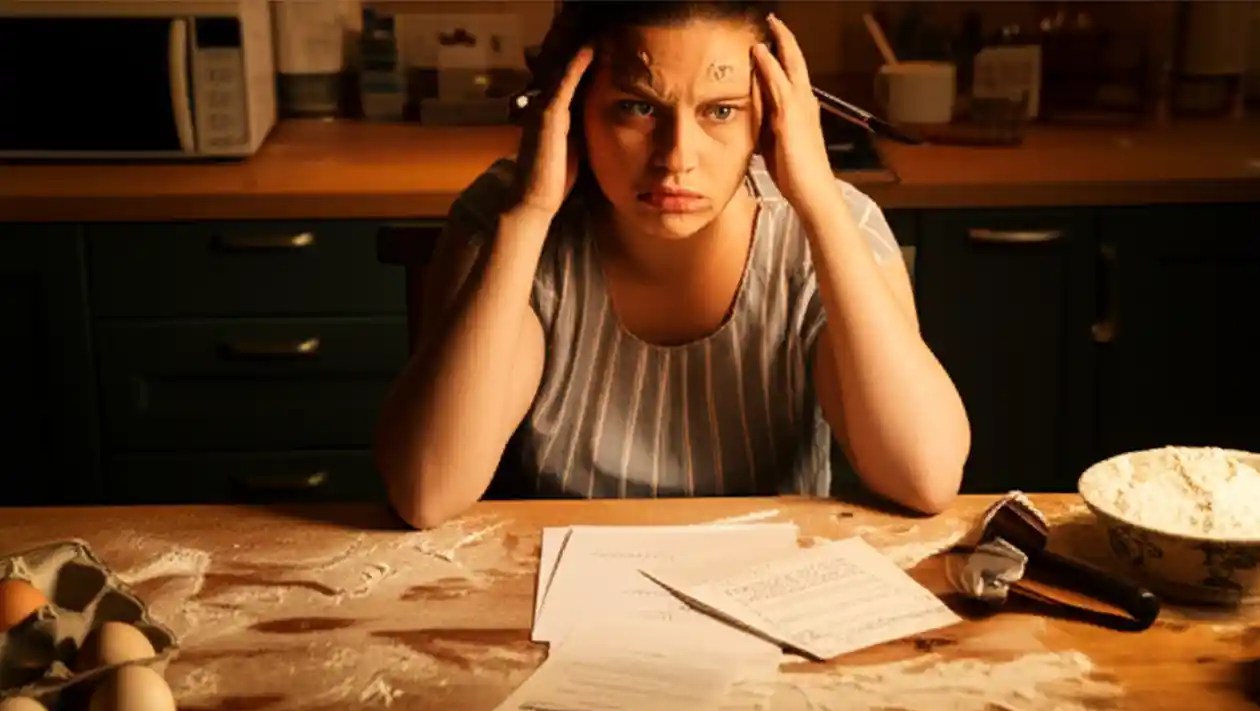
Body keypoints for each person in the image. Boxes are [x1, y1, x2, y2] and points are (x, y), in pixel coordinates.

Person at [375, 1, 971, 529]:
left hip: (775, 598)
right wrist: (529, 213)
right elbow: (427, 491)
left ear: (772, 113)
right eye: (636, 107)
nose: (676, 158)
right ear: (572, 107)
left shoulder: (834, 224)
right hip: (554, 599)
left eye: (720, 111)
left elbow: (924, 475)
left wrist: (816, 194)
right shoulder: (508, 220)